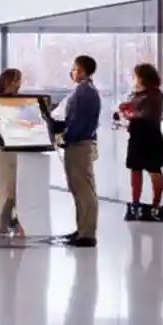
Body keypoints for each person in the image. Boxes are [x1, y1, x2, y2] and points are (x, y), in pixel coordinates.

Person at [119, 63, 163, 222]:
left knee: (154, 168)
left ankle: (156, 204)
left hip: (150, 135)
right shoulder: (137, 94)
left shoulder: (154, 94)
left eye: (136, 76)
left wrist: (127, 113)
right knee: (135, 168)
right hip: (137, 135)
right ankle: (135, 203)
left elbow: (141, 113)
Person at [61, 55, 101, 247]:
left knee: (84, 189)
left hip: (79, 144)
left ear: (83, 71)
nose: (72, 72)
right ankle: (81, 229)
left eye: (75, 68)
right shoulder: (83, 91)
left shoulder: (86, 92)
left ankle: (87, 234)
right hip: (76, 143)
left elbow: (79, 122)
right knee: (78, 188)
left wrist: (65, 135)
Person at [0, 68, 25, 236]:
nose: (18, 84)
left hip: (17, 149)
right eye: (16, 80)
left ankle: (12, 223)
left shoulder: (20, 102)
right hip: (5, 150)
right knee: (5, 188)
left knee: (16, 189)